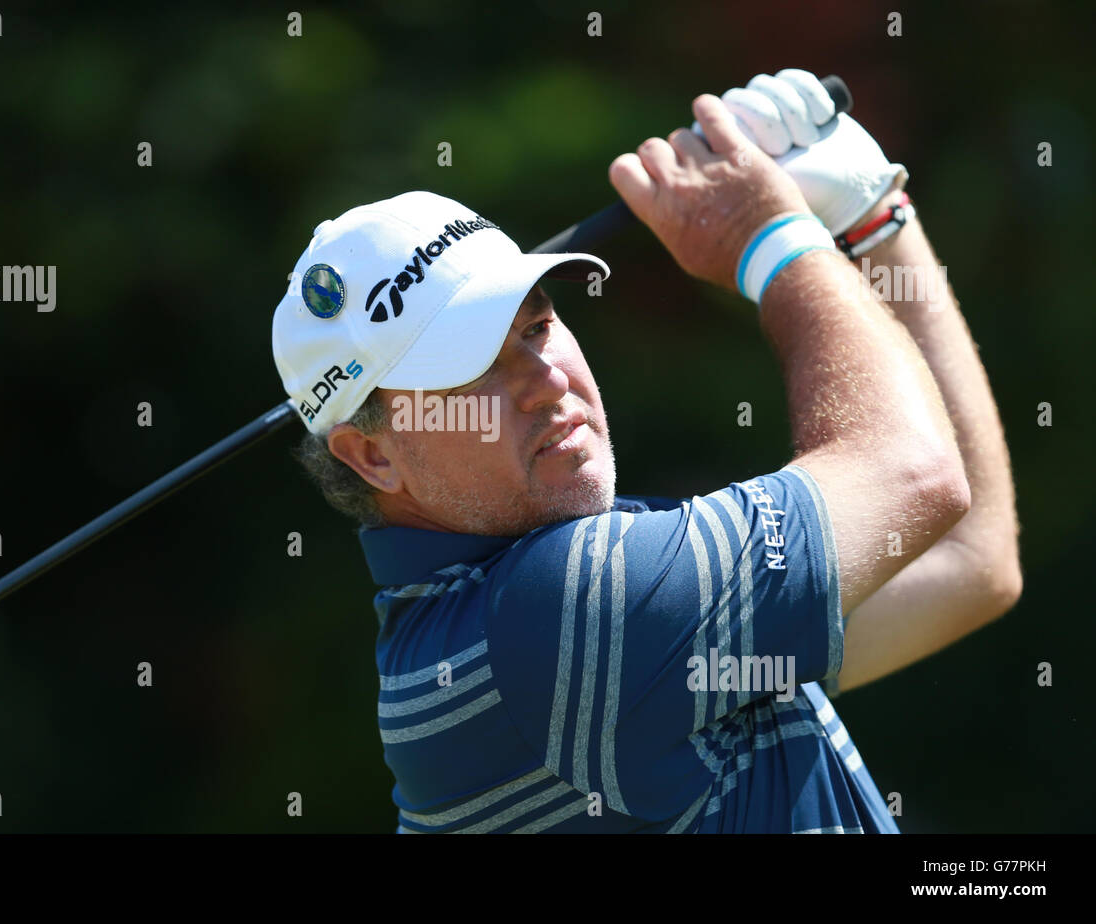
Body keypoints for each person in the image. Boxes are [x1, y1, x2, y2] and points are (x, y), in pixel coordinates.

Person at [271, 70, 1021, 832]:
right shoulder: (553, 618)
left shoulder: (529, 620)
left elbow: (968, 563)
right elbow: (913, 473)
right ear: (372, 457)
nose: (546, 381)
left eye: (535, 328)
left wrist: (875, 223)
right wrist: (776, 240)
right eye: (472, 369)